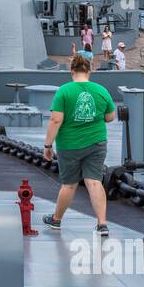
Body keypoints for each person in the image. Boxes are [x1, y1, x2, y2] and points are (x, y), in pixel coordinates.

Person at [41, 54, 116, 237]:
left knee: (69, 185)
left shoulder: (64, 91)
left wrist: (48, 146)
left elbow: (56, 120)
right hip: (97, 143)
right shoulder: (101, 90)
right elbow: (110, 117)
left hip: (70, 145)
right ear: (89, 70)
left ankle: (56, 220)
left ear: (71, 70)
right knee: (94, 182)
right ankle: (102, 224)